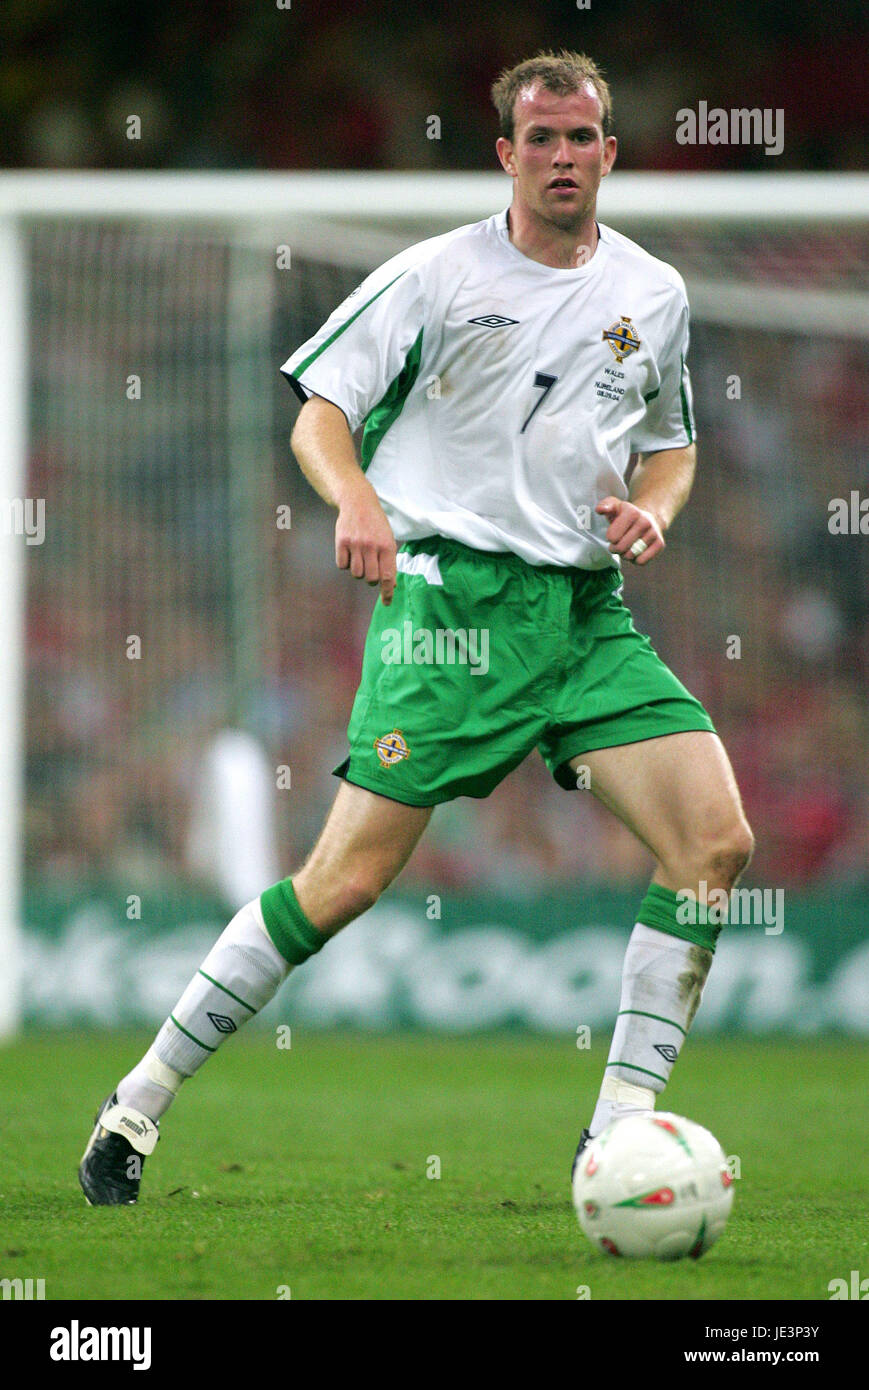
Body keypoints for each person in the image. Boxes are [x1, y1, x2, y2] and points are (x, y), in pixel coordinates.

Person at [79, 50, 753, 1206]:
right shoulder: (436, 277)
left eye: (578, 137)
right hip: (447, 610)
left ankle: (614, 1141)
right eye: (536, 140)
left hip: (583, 615)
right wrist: (354, 495)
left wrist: (653, 509)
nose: (558, 157)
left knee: (714, 846)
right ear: (504, 155)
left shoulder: (653, 293)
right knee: (339, 884)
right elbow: (322, 414)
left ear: (607, 152)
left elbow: (672, 443)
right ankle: (137, 1102)